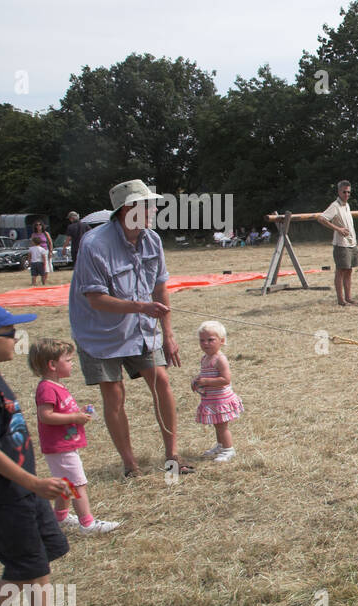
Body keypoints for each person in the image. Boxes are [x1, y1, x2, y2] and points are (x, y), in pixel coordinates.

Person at [0, 302, 99, 606]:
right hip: (7, 498)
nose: (19, 339)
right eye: (13, 334)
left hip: (25, 492)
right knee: (21, 570)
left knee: (39, 560)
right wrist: (34, 483)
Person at [68, 179, 190, 477]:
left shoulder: (152, 240)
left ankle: (172, 456)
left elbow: (161, 289)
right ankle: (130, 465)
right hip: (99, 332)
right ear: (127, 209)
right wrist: (141, 307)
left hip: (141, 327)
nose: (152, 210)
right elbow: (96, 299)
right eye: (146, 205)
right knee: (115, 394)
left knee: (161, 380)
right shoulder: (94, 244)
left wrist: (168, 334)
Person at [29, 337, 119, 535]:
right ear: (52, 365)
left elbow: (59, 411)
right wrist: (74, 417)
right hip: (59, 447)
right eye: (68, 360)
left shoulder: (56, 385)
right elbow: (45, 416)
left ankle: (59, 517)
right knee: (78, 484)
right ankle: (87, 524)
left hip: (65, 445)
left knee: (66, 483)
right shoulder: (46, 388)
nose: (72, 364)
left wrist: (79, 412)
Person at [190, 321, 243, 463]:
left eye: (210, 340)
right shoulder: (205, 359)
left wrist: (206, 381)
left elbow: (225, 379)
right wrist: (197, 381)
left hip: (221, 400)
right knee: (216, 424)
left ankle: (228, 449)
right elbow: (205, 375)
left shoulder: (220, 359)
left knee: (222, 426)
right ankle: (220, 446)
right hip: (211, 399)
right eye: (202, 340)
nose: (206, 343)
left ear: (222, 341)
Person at [317, 180, 358, 306]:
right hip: (341, 244)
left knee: (349, 270)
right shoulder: (335, 205)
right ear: (339, 192)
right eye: (344, 192)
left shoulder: (347, 205)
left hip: (351, 242)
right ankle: (341, 300)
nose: (346, 194)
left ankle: (348, 297)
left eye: (348, 192)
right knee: (340, 271)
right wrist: (337, 229)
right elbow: (321, 218)